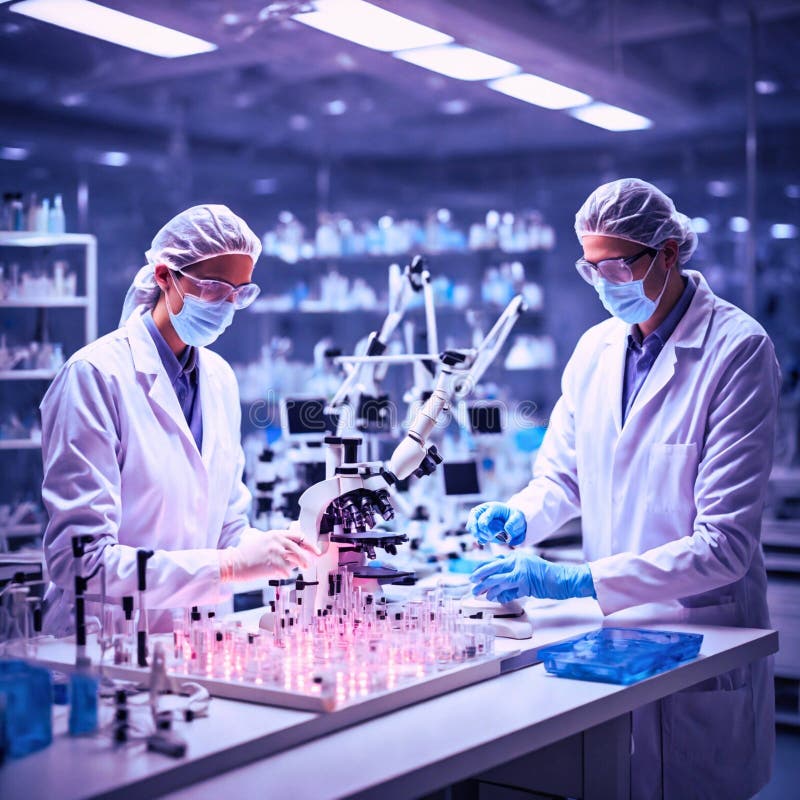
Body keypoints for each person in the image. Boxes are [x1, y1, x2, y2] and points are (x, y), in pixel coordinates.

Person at [468, 179, 779, 799]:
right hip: (613, 639)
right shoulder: (594, 350)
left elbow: (722, 548)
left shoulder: (736, 351)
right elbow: (563, 474)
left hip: (701, 631)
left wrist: (578, 579)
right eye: (590, 269)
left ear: (668, 253)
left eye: (616, 266)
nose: (605, 283)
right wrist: (522, 517)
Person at [40, 205, 319, 635]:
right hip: (104, 640)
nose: (228, 305)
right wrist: (225, 568)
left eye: (240, 293)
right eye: (213, 288)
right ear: (164, 276)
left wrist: (272, 548)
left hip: (196, 640)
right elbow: (81, 560)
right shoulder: (95, 376)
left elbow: (226, 526)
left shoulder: (219, 379)